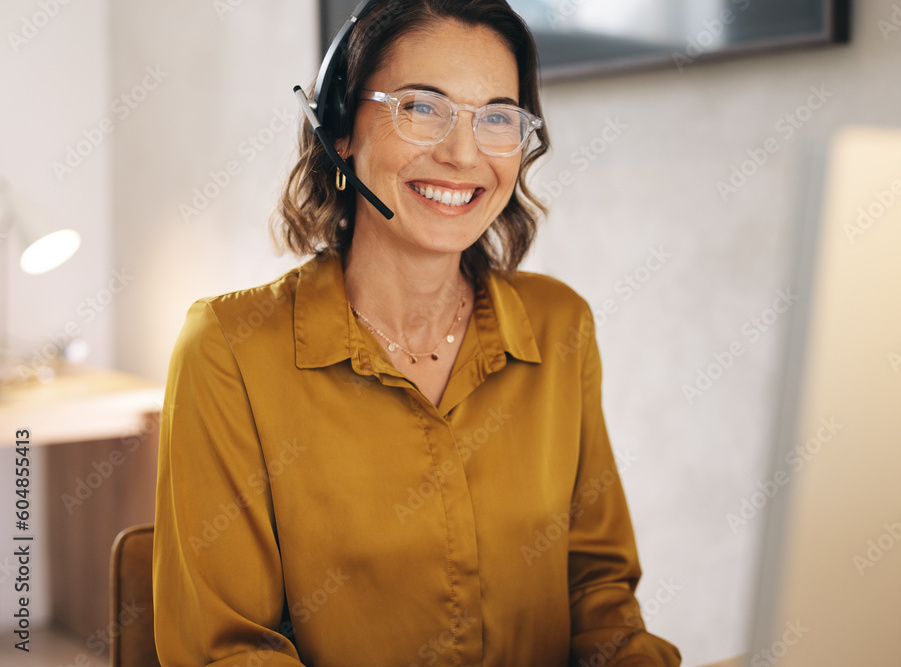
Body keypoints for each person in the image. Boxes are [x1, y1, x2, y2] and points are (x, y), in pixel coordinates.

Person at [152, 1, 682, 665]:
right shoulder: (229, 349)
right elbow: (229, 652)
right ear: (341, 128)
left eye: (497, 117)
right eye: (423, 108)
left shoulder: (558, 326)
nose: (463, 154)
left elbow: (599, 593)